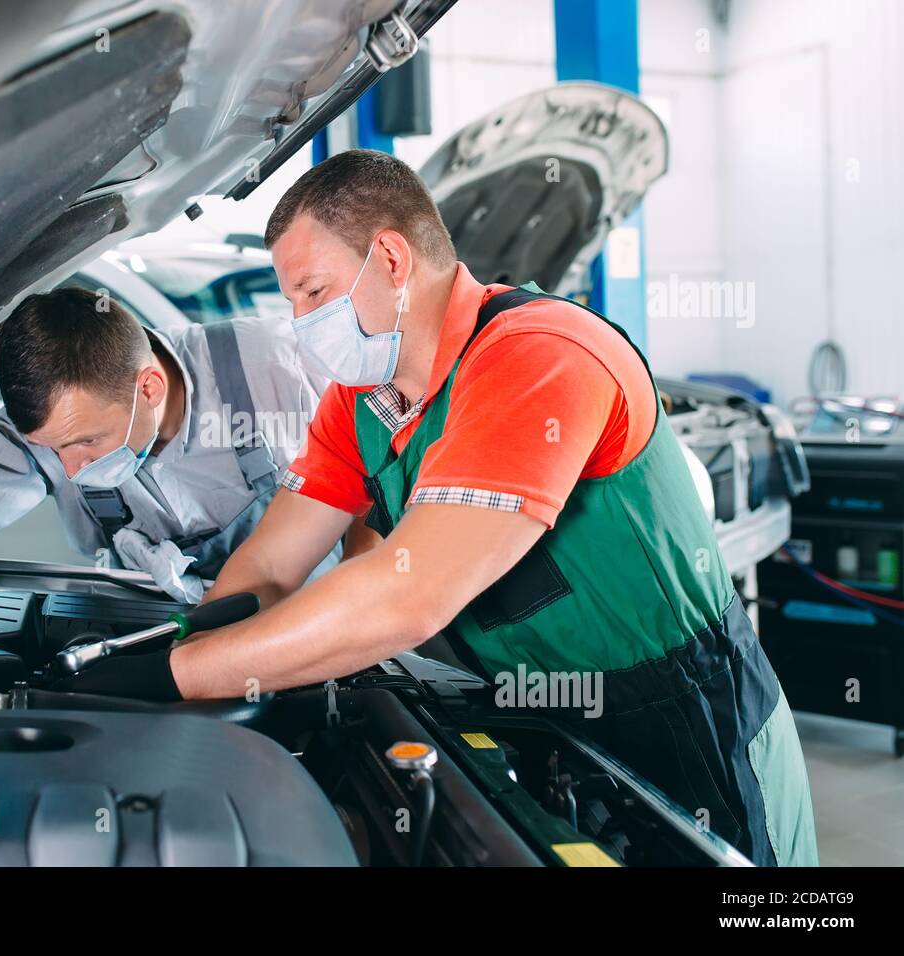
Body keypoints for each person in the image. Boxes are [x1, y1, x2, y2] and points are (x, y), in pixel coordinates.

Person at [75, 149, 818, 867]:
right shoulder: (359, 403)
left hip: (686, 718)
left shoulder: (541, 355)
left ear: (392, 260)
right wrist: (173, 649)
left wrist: (187, 675)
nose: (300, 322)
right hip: (538, 714)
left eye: (312, 292)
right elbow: (272, 562)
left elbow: (410, 595)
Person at [0, 286, 350, 706]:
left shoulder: (282, 370)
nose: (70, 468)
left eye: (87, 442)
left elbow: (377, 514)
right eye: (52, 449)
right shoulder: (57, 425)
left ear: (148, 388)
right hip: (167, 641)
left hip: (317, 638)